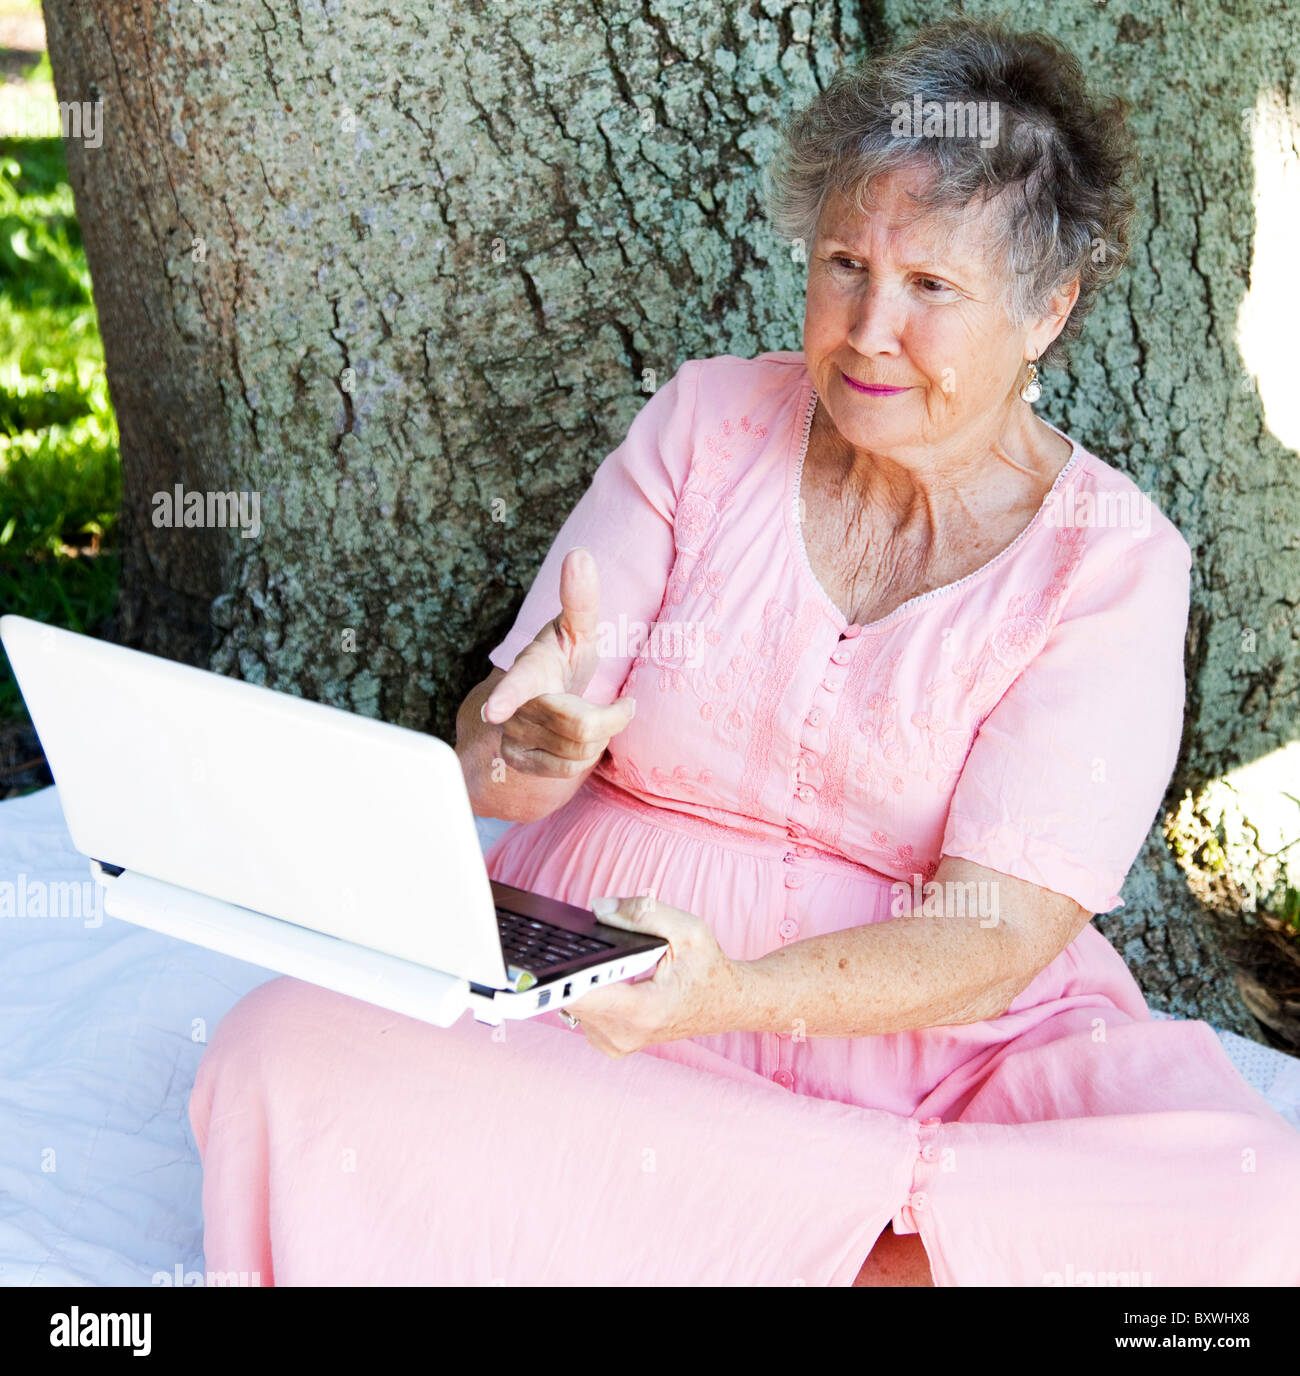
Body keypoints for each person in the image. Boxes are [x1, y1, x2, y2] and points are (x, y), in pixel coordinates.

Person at [189, 16, 1300, 1285]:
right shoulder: (709, 420)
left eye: (931, 286)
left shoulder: (1110, 556)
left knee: (1259, 1207)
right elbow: (503, 770)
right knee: (281, 1053)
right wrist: (515, 737)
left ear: (1049, 307)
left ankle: (755, 1227)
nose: (867, 328)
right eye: (842, 265)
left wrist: (732, 991)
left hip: (930, 1030)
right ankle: (839, 1249)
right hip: (606, 995)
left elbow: (995, 933)